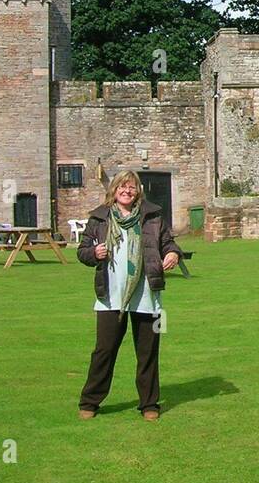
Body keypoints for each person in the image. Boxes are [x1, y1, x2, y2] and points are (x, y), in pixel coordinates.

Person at [76, 170, 182, 421]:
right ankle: (90, 402)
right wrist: (94, 254)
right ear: (114, 190)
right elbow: (82, 251)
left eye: (132, 187)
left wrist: (173, 254)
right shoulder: (99, 218)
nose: (127, 191)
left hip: (146, 294)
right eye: (122, 186)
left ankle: (149, 404)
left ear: (138, 191)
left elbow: (168, 243)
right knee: (104, 351)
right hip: (110, 296)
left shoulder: (152, 216)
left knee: (147, 352)